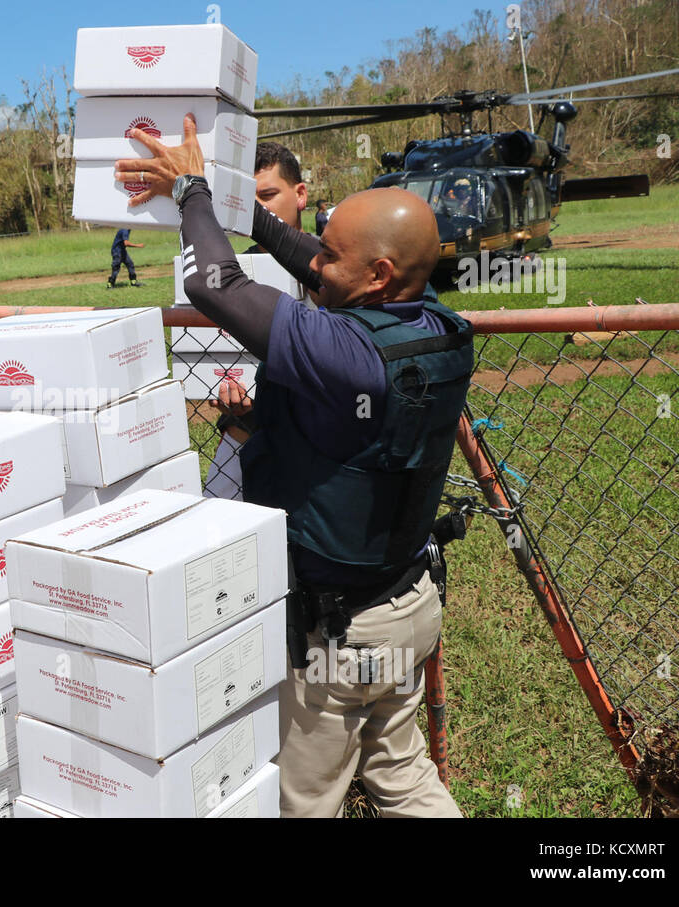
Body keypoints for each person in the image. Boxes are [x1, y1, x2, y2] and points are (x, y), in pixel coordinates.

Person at [117, 114, 472, 818]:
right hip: (408, 604)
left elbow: (215, 285)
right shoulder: (437, 327)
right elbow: (303, 251)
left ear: (377, 275)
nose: (315, 263)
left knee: (304, 801)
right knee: (404, 776)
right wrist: (230, 199)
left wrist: (191, 193)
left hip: (339, 638)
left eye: (332, 257)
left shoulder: (342, 355)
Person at [205, 142, 311, 501]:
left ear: (300, 194)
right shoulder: (232, 272)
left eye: (268, 195)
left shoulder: (332, 266)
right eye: (247, 200)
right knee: (217, 512)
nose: (258, 209)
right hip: (246, 425)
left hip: (316, 426)